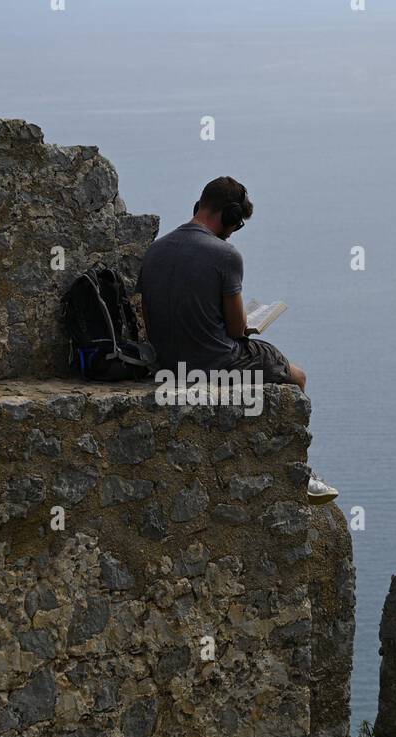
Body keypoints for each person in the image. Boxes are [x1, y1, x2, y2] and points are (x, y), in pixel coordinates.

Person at [136, 176, 338, 505]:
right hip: (217, 364)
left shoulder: (155, 250)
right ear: (229, 216)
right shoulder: (226, 255)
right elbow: (236, 330)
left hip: (168, 365)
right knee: (297, 376)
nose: (233, 231)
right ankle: (302, 475)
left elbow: (148, 317)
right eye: (236, 224)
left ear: (199, 205)